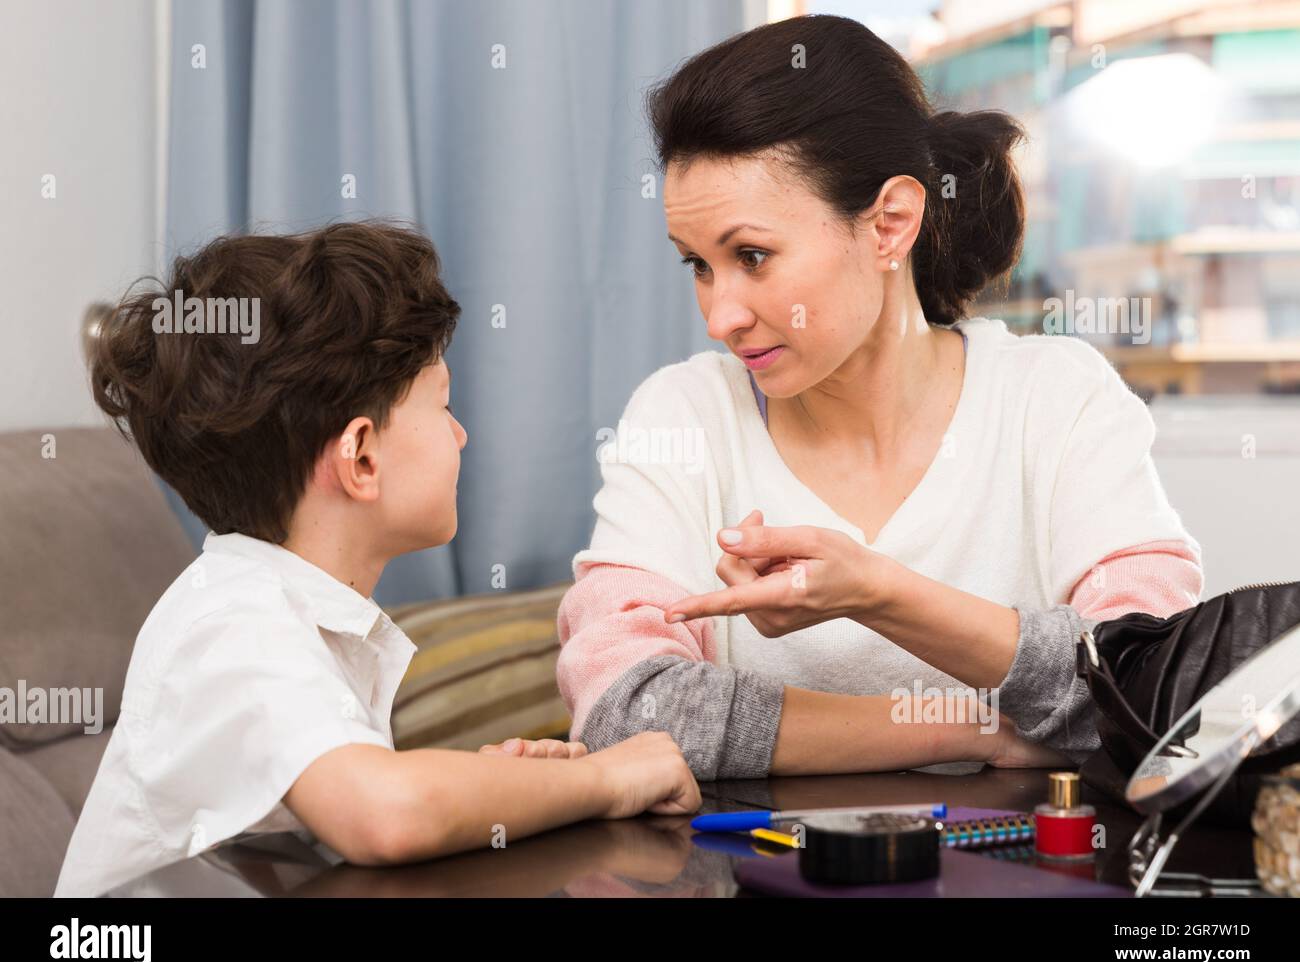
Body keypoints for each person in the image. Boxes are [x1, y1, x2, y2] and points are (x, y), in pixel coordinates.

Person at [543, 16, 1202, 781]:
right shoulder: (684, 415)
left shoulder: (1058, 399)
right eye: (698, 264)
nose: (720, 316)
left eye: (751, 256)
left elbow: (1151, 693)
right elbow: (629, 710)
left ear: (891, 224)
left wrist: (881, 593)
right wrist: (962, 729)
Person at [56, 221, 699, 898]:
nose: (461, 433)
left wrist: (502, 788)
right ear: (360, 457)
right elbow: (388, 816)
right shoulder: (234, 623)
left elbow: (354, 819)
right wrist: (606, 777)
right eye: (443, 405)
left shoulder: (285, 612)